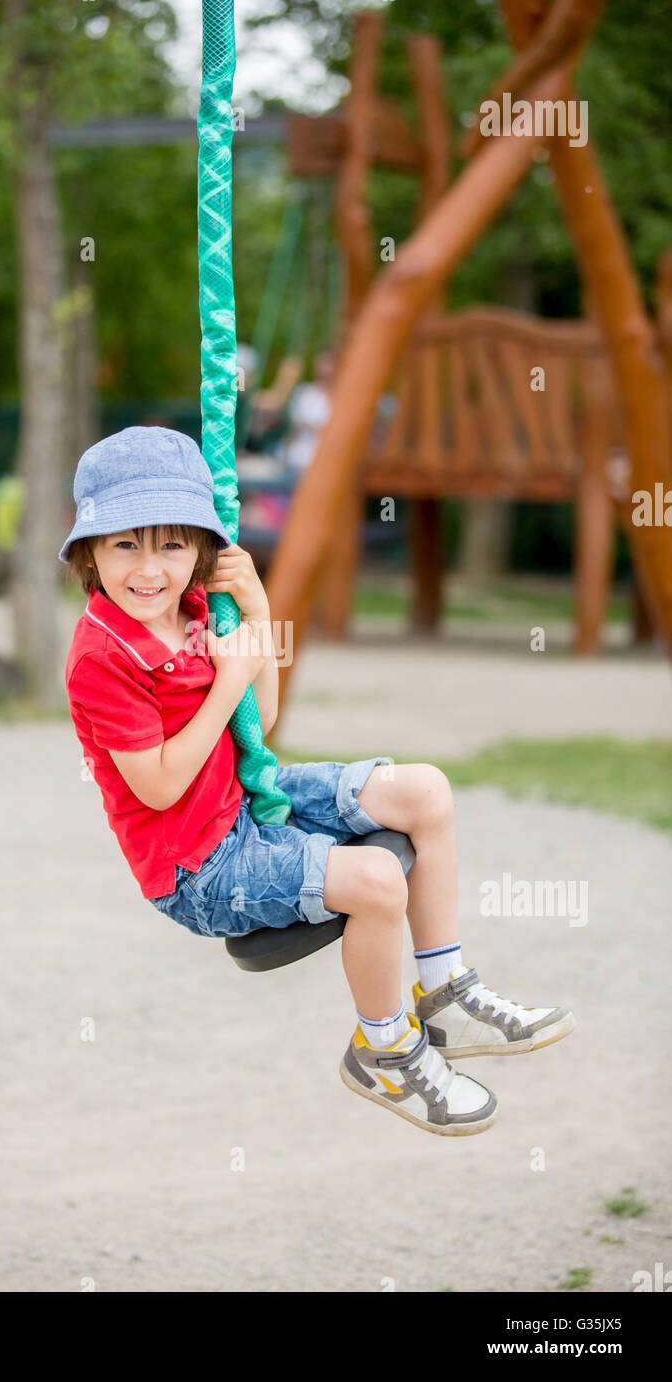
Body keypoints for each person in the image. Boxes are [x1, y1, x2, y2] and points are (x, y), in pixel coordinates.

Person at [58, 426, 574, 1137]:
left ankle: (446, 991)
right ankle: (385, 1049)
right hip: (196, 868)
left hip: (242, 799)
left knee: (425, 791)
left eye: (172, 544)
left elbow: (256, 721)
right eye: (126, 544)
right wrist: (227, 679)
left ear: (200, 549)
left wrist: (260, 616)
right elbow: (159, 789)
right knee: (377, 882)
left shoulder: (199, 609)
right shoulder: (102, 658)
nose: (150, 569)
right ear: (89, 550)